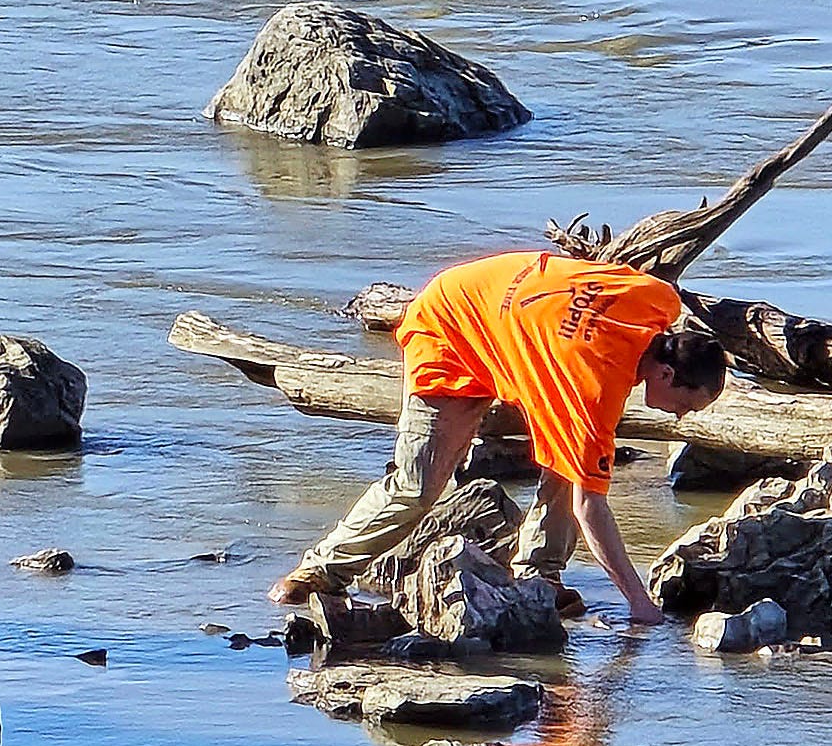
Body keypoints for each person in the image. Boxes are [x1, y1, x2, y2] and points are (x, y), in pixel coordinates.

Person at [269, 250, 730, 627]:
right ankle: (319, 570)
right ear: (666, 373)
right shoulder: (592, 387)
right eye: (688, 404)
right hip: (451, 328)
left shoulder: (657, 298)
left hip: (504, 314)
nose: (683, 417)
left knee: (572, 461)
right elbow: (591, 509)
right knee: (419, 484)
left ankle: (538, 575)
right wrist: (638, 602)